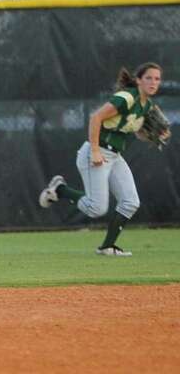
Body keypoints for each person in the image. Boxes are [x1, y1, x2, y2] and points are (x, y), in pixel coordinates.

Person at [39, 63, 168, 256]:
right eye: (149, 77)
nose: (153, 82)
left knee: (130, 202)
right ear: (139, 80)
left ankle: (107, 246)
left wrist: (155, 134)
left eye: (157, 79)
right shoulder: (126, 97)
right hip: (96, 152)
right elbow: (96, 118)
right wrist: (95, 150)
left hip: (115, 156)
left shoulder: (146, 105)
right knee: (96, 208)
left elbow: (134, 131)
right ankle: (60, 190)